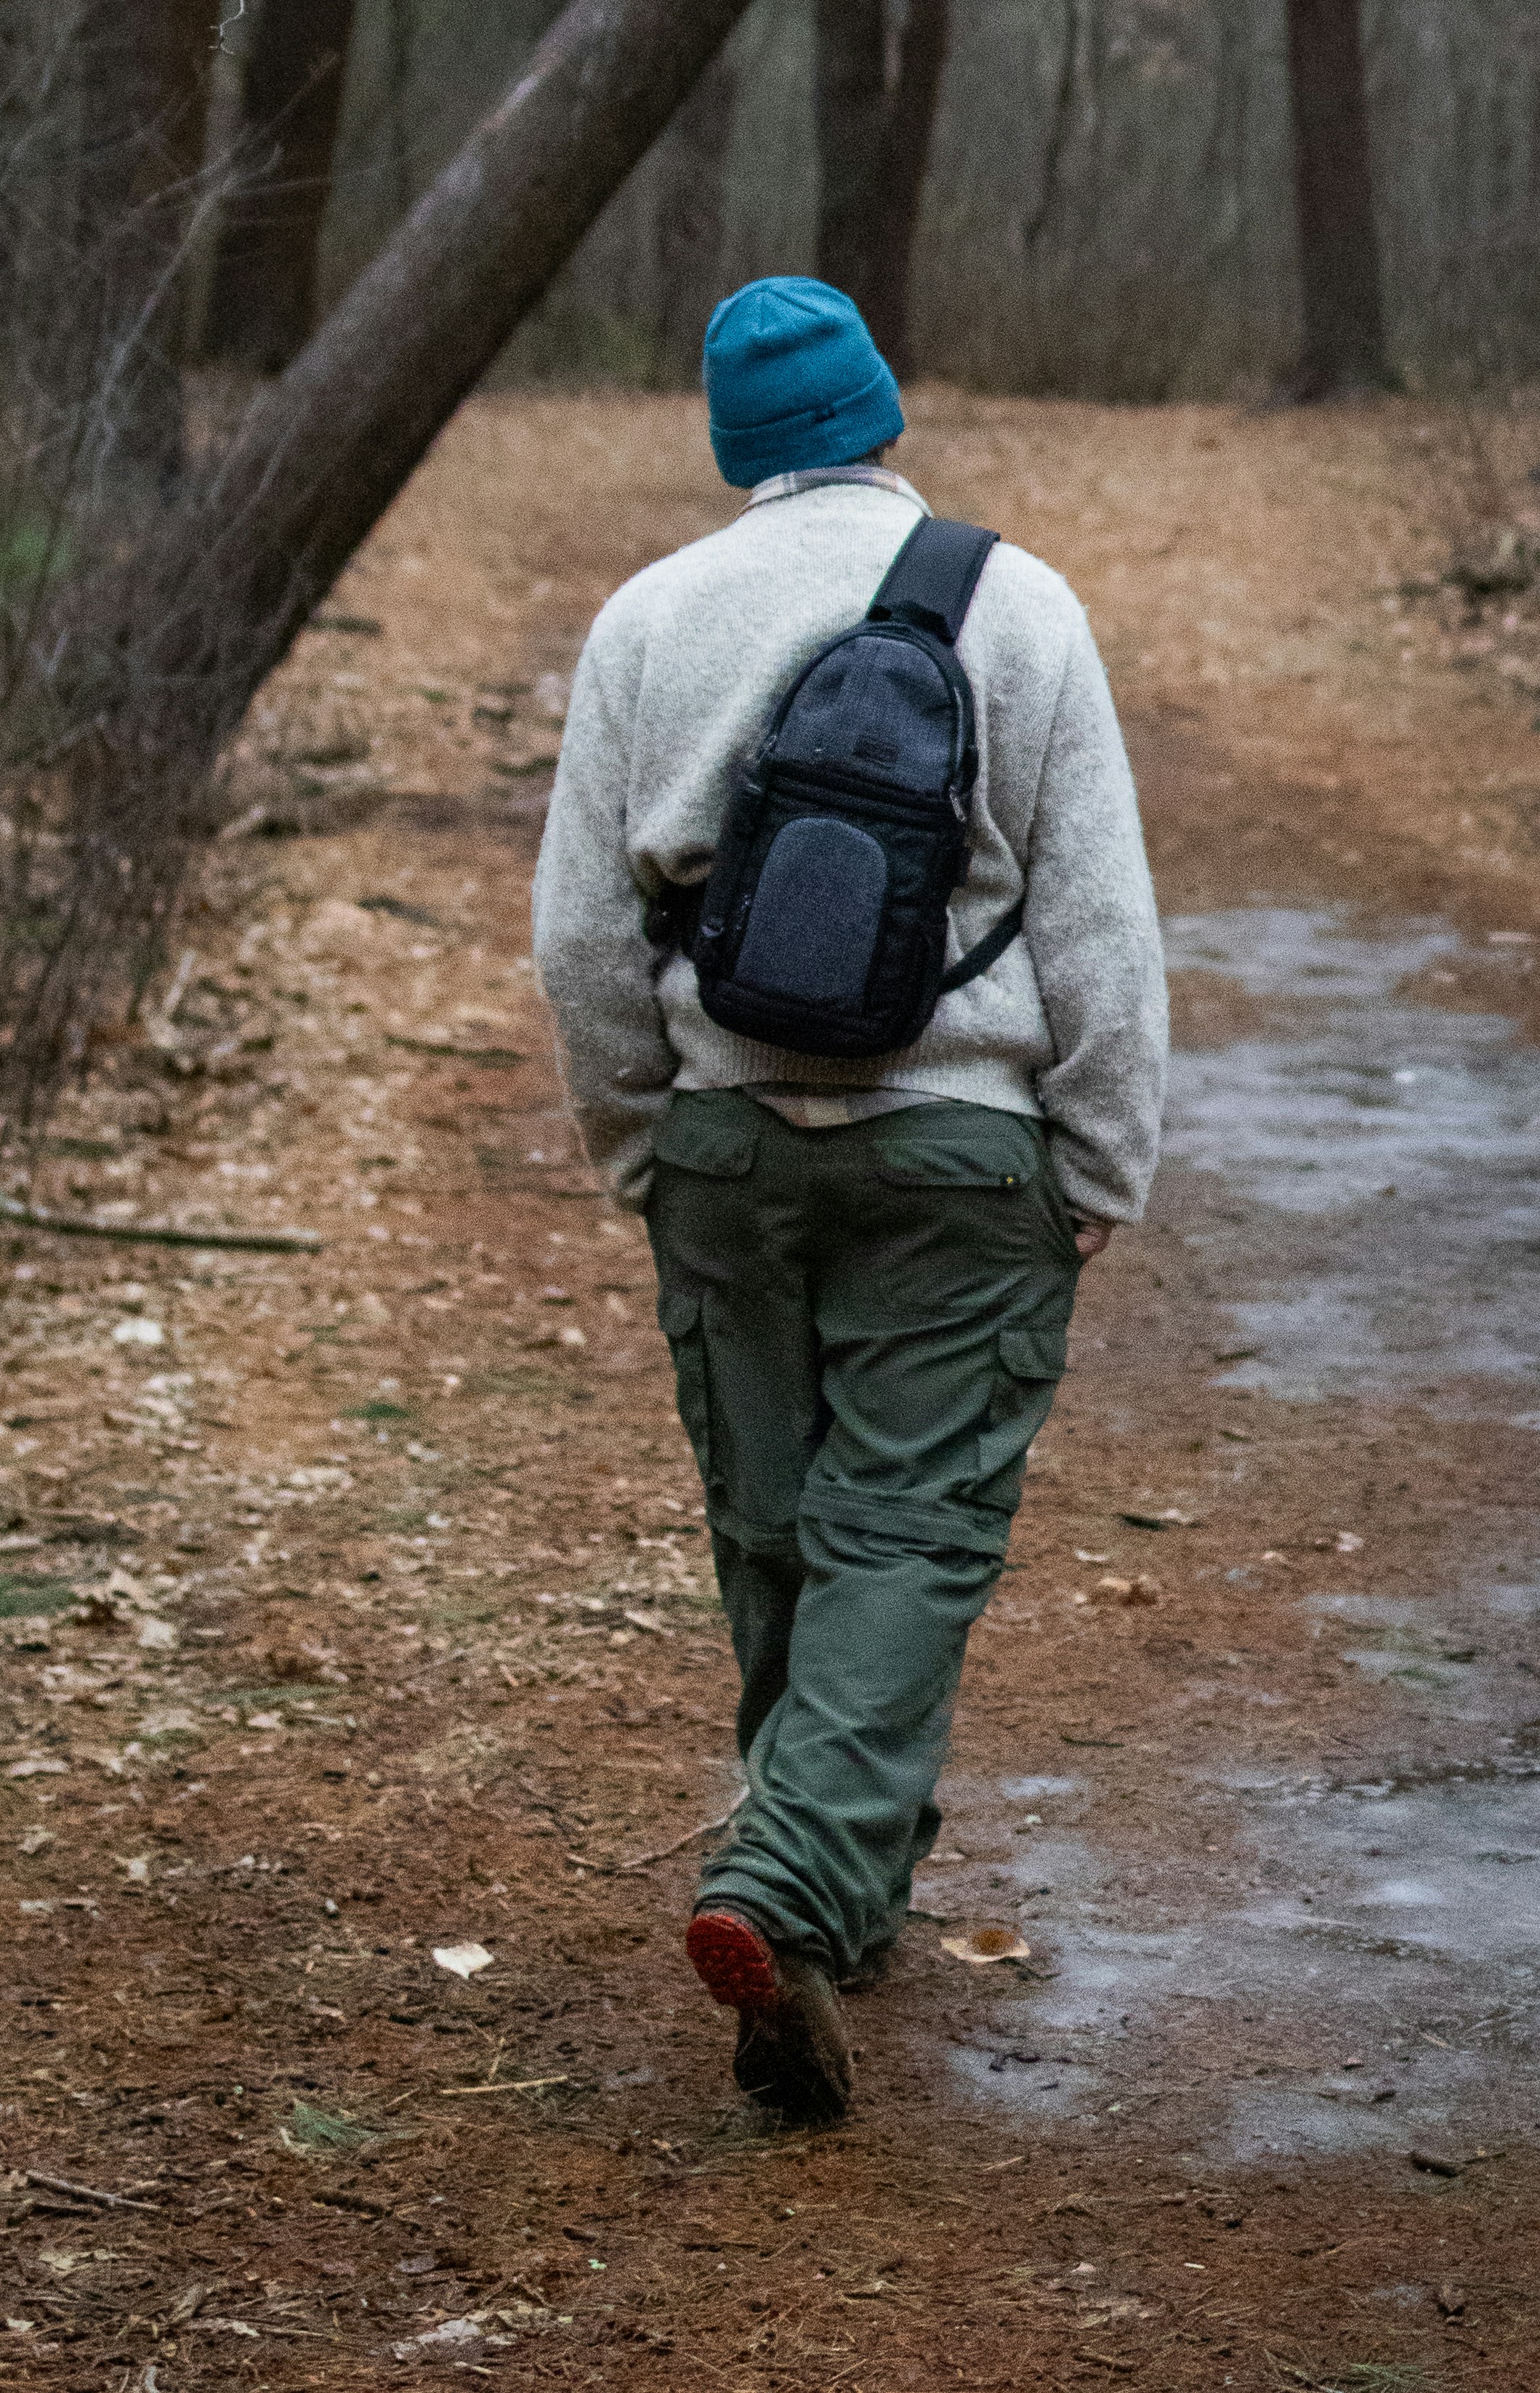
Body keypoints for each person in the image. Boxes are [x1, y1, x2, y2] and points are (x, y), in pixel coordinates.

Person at [532, 275, 1166, 2121]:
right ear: (883, 415)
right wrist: (1097, 1156)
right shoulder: (1019, 603)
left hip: (727, 1142)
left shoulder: (646, 619)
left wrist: (640, 1143)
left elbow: (581, 938)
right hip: (956, 1143)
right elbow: (1100, 922)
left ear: (734, 447)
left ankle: (829, 1890)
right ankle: (786, 1883)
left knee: (778, 1519)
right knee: (907, 1526)